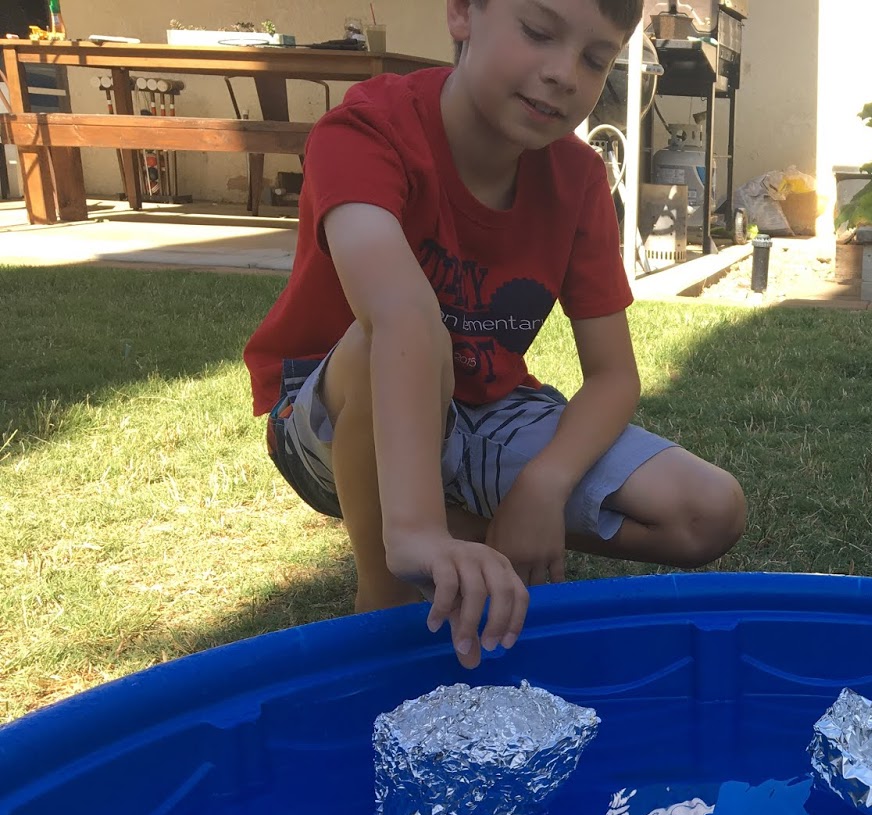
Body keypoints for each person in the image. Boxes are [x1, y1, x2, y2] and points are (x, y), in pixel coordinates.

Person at [244, 0, 745, 669]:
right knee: (388, 340)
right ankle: (388, 585)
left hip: (487, 411)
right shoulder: (367, 129)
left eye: (595, 58)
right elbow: (399, 319)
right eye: (539, 32)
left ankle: (474, 535)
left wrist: (544, 486)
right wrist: (417, 531)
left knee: (709, 509)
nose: (564, 73)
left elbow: (614, 374)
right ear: (462, 14)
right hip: (333, 415)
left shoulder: (577, 178)